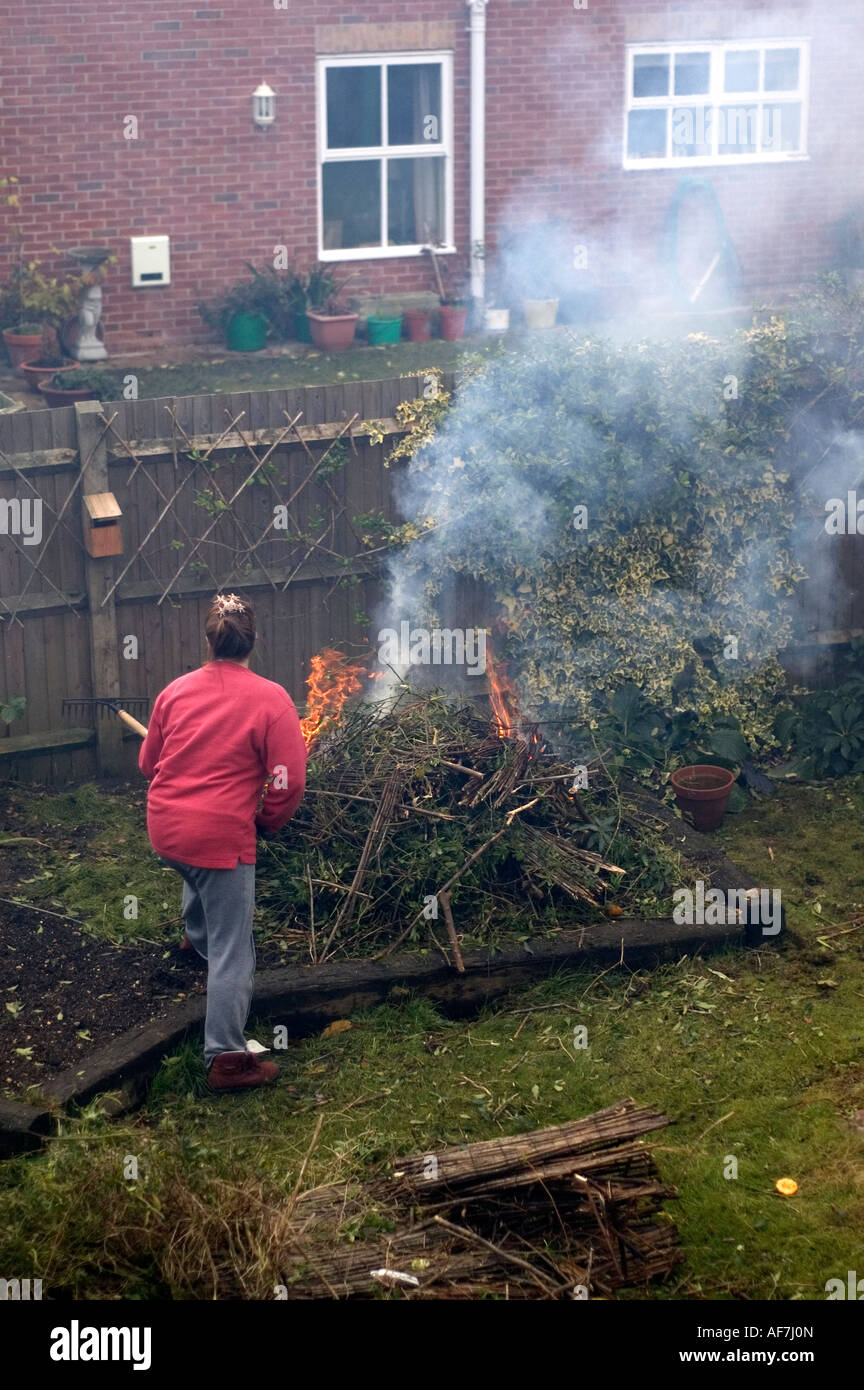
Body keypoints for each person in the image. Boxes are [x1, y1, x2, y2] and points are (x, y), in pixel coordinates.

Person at [138, 593, 307, 1092]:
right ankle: (227, 1059)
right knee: (236, 951)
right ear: (255, 641)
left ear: (208, 640)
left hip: (167, 830)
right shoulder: (272, 699)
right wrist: (268, 821)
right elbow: (288, 781)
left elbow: (149, 766)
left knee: (196, 870)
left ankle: (196, 939)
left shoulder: (174, 692)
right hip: (220, 836)